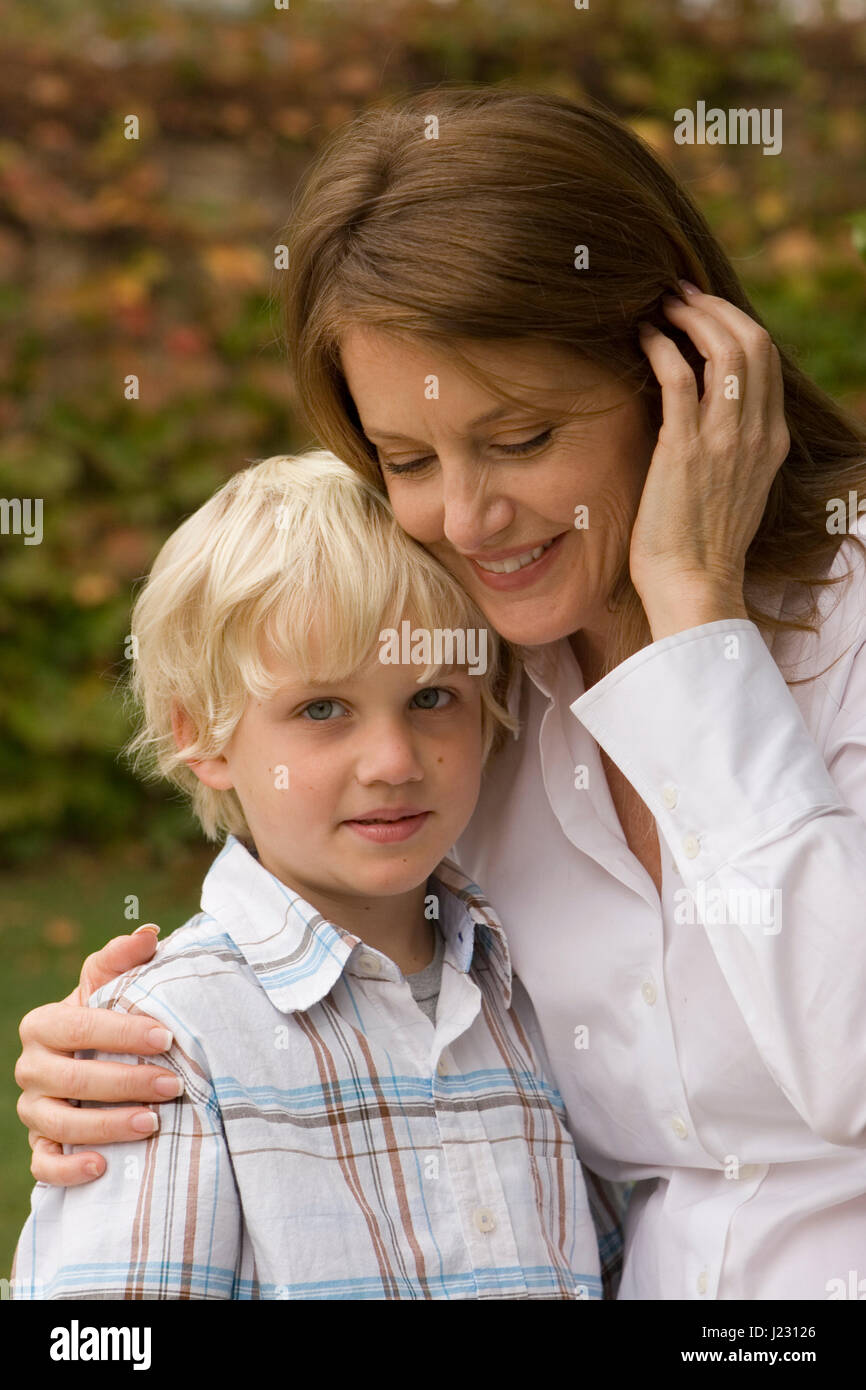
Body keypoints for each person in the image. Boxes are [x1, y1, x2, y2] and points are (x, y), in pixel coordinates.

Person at [14, 85, 866, 1300]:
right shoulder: (468, 681)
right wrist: (133, 1038)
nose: (465, 520)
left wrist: (691, 609)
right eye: (408, 461)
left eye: (519, 439)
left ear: (680, 375)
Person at [11, 450, 619, 1301]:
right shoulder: (163, 1043)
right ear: (206, 735)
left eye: (433, 696)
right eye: (322, 710)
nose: (393, 760)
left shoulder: (524, 994)